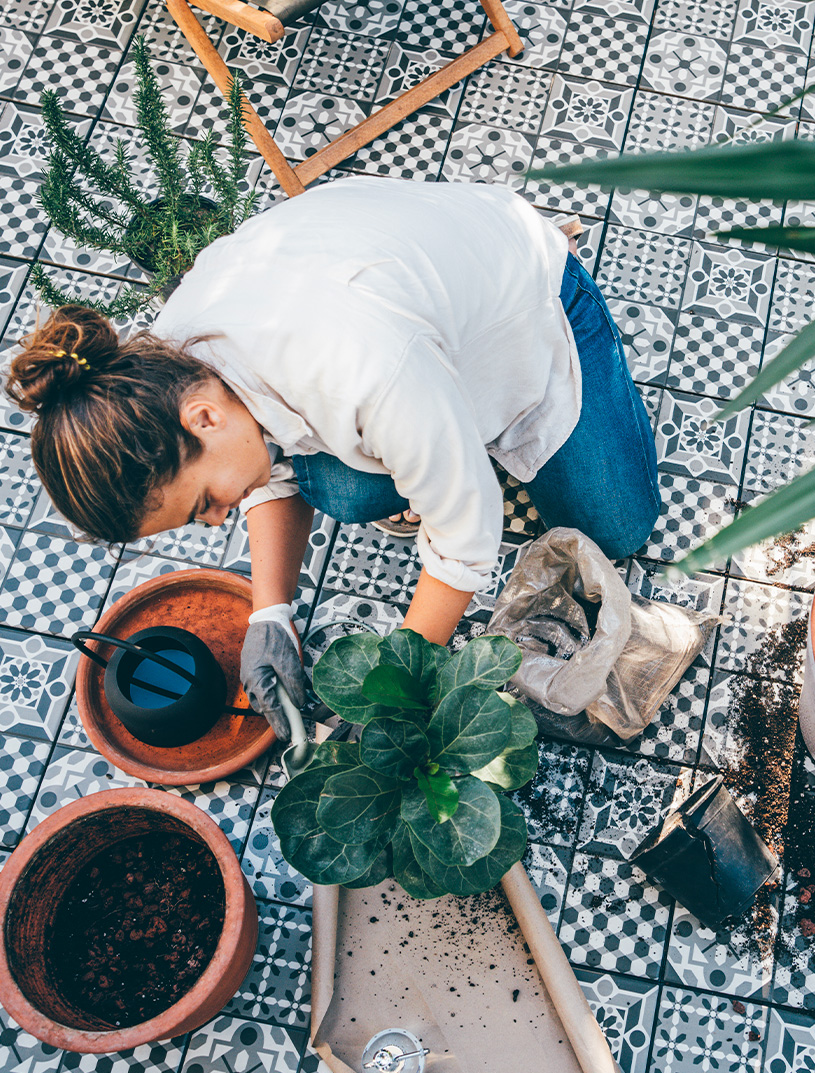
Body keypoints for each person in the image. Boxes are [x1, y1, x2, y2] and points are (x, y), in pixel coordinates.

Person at [6, 177, 661, 740]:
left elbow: (466, 543)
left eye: (202, 503)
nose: (213, 523)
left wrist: (391, 689)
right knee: (344, 491)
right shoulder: (171, 361)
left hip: (530, 297)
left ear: (201, 419)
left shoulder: (359, 369)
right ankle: (433, 436)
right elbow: (253, 458)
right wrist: (271, 612)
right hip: (411, 318)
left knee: (617, 529)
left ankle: (561, 293)